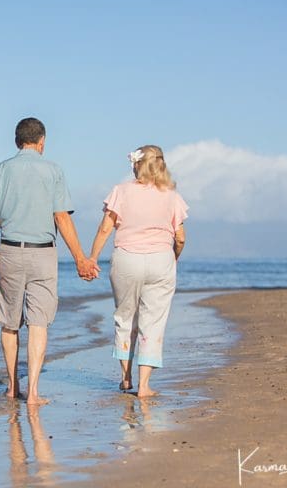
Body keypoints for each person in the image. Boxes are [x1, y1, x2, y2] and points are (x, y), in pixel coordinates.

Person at [0, 117, 99, 406]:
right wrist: (81, 259)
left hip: (9, 251)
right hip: (44, 252)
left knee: (9, 321)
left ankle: (11, 386)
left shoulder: (1, 170)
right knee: (38, 322)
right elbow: (62, 217)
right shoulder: (53, 171)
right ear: (42, 142)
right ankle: (33, 392)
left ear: (17, 141)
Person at [89, 145, 188, 398]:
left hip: (126, 260)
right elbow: (180, 238)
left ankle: (125, 377)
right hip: (161, 260)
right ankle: (144, 386)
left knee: (125, 316)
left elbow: (104, 229)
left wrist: (91, 258)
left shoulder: (120, 192)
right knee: (152, 321)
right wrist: (172, 258)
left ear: (136, 164)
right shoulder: (172, 196)